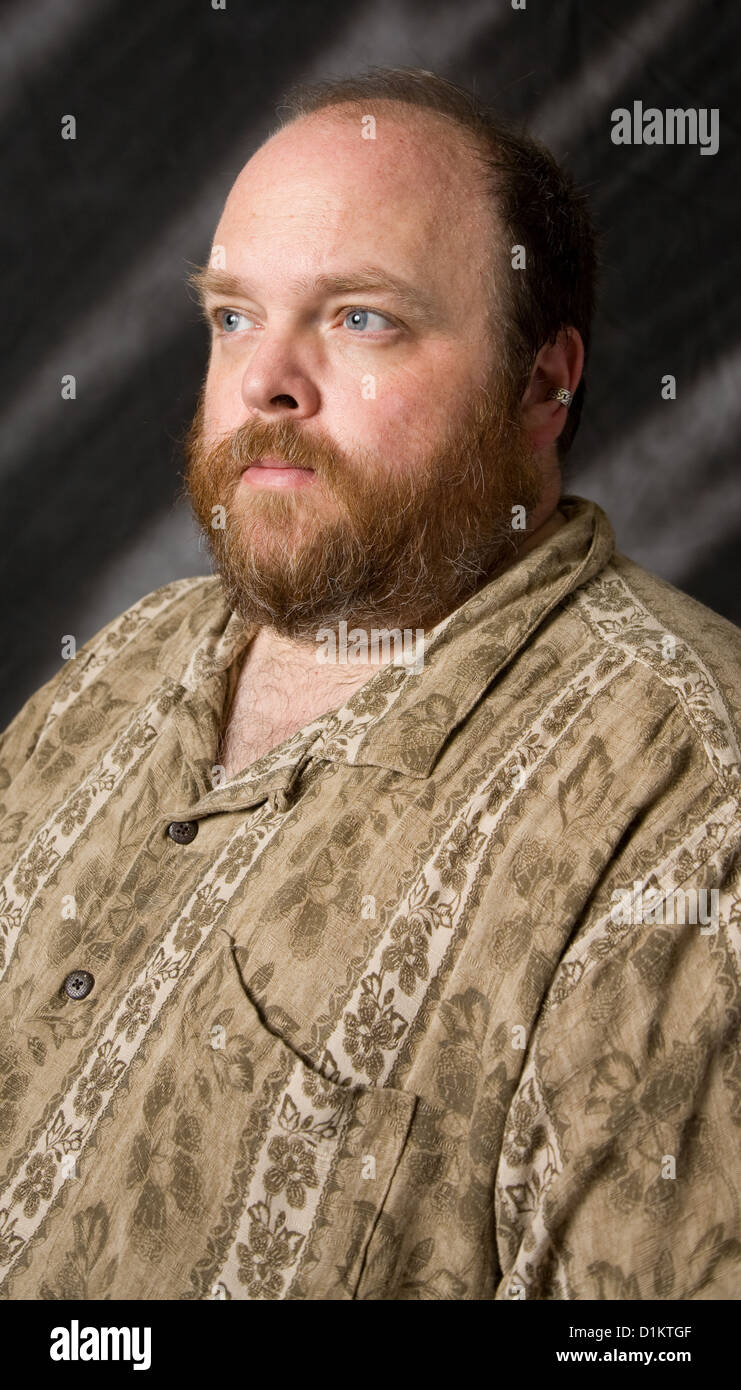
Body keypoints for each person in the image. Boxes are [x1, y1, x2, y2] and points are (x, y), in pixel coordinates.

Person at [0, 69, 739, 1302]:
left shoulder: (686, 802)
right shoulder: (122, 666)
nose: (264, 384)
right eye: (234, 317)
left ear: (544, 383)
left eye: (359, 320)